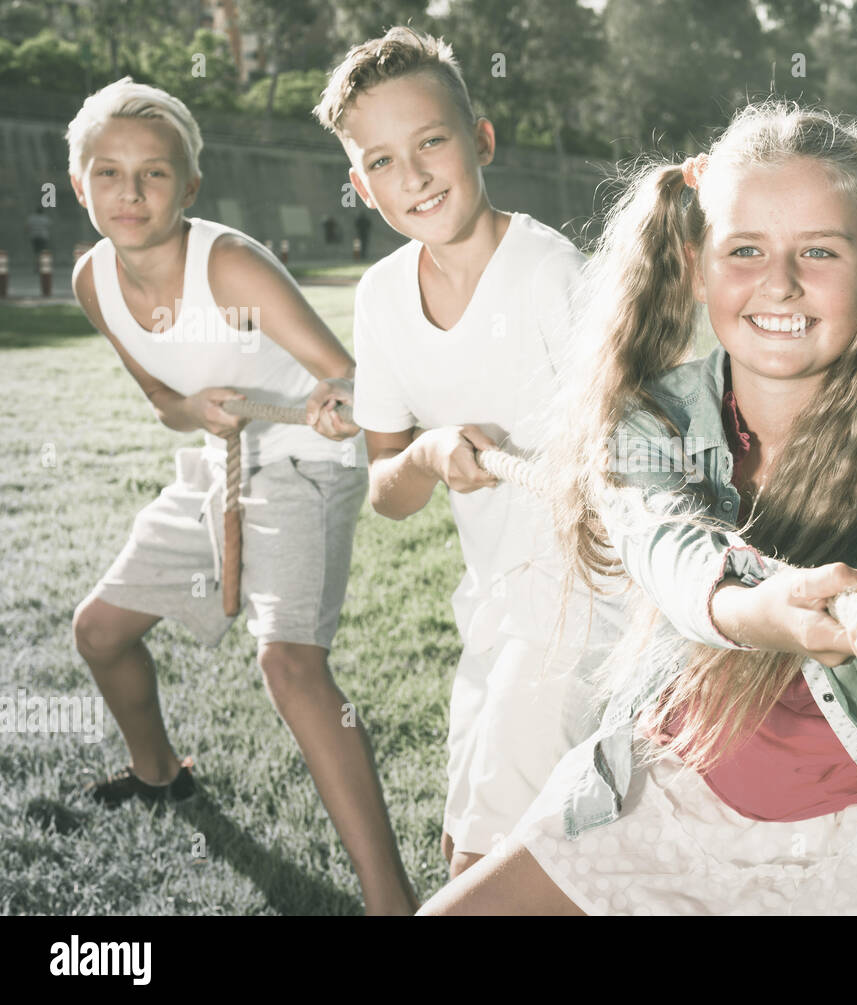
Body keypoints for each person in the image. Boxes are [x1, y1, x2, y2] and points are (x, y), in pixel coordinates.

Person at [420, 101, 857, 916]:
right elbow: (667, 543)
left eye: (819, 251)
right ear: (696, 263)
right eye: (744, 250)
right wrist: (757, 607)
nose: (779, 282)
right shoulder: (649, 421)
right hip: (679, 794)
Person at [65, 77, 418, 914]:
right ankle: (161, 778)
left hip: (300, 458)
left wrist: (340, 407)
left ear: (189, 186)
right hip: (224, 457)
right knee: (100, 632)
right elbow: (164, 401)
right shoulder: (93, 280)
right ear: (78, 184)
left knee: (288, 662)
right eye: (107, 173)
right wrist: (195, 407)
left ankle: (391, 901)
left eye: (154, 173)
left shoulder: (226, 263)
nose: (130, 191)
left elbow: (348, 380)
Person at [313, 28, 623, 883]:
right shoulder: (378, 298)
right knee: (469, 850)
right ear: (358, 183)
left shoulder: (550, 271)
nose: (410, 176)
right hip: (491, 603)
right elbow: (387, 488)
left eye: (431, 143)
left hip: (580, 599)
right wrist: (430, 453)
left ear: (480, 139)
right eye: (380, 160)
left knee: (486, 866)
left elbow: (626, 448)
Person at [26, 204, 52, 271]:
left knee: (36, 253)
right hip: (43, 236)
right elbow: (49, 226)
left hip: (34, 236)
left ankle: (36, 267)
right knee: (43, 252)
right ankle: (43, 266)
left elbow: (27, 227)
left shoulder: (31, 218)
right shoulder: (45, 218)